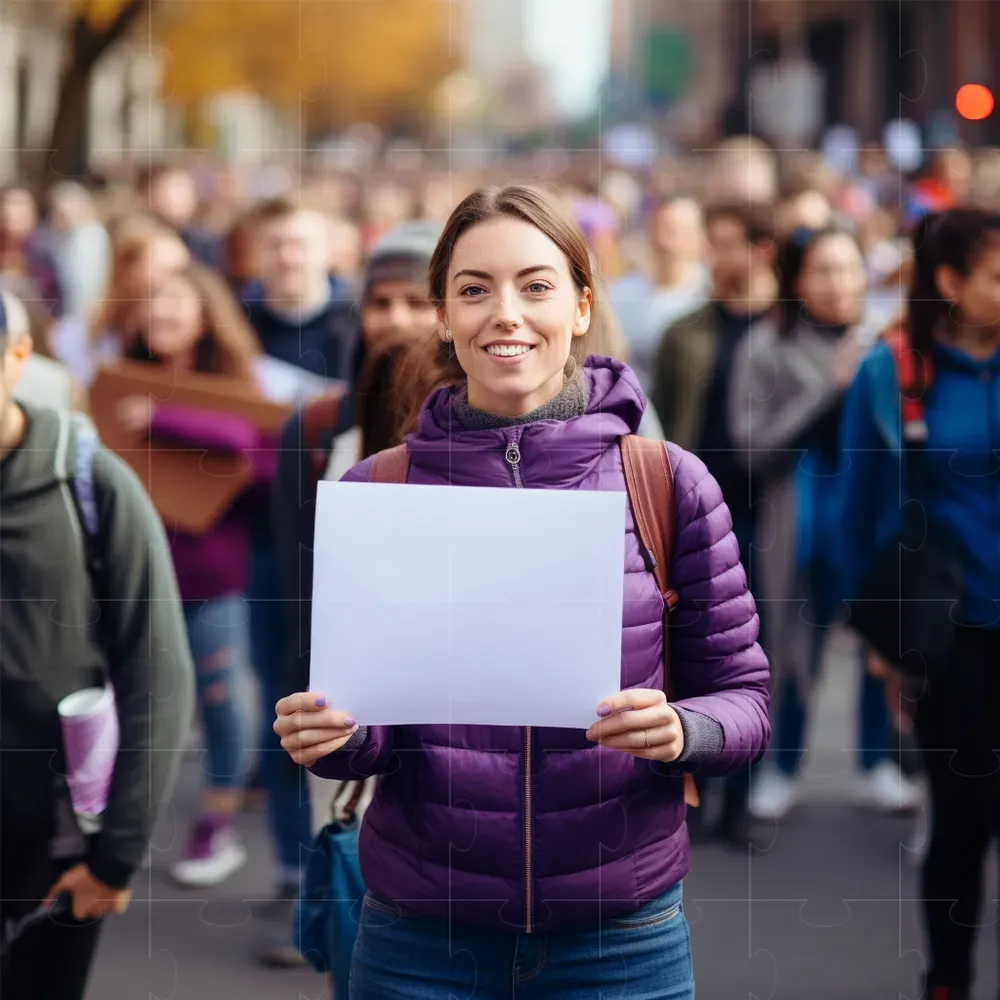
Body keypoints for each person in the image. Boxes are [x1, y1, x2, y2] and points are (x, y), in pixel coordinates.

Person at [274, 184, 771, 998]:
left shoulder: (666, 482)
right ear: (443, 316)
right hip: (420, 937)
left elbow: (745, 698)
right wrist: (332, 734)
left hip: (621, 938)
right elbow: (370, 736)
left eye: (535, 286)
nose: (506, 312)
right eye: (475, 289)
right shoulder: (381, 489)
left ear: (580, 308)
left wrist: (684, 729)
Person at [0, 274, 194, 1000]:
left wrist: (117, 856)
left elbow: (158, 672)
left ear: (19, 358)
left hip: (51, 849)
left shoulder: (89, 483)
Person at [263, 219, 441, 967]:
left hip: (448, 700)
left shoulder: (475, 420)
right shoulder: (316, 428)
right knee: (357, 911)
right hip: (341, 696)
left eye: (415, 300)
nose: (395, 319)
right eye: (380, 302)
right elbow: (294, 585)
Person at [839, 209, 1000, 1000]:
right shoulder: (894, 369)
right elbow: (861, 509)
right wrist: (880, 638)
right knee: (962, 823)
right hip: (951, 637)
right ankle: (948, 981)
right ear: (951, 284)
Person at [727, 225, 920, 821]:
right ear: (797, 280)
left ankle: (876, 764)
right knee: (789, 649)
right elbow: (750, 448)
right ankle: (780, 768)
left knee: (877, 641)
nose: (839, 284)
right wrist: (828, 390)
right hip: (801, 519)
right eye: (823, 271)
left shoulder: (887, 347)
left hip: (872, 517)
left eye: (848, 269)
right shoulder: (766, 346)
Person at [117, 263, 263, 888]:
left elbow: (251, 454)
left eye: (176, 299)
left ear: (205, 313)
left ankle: (217, 823)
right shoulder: (116, 382)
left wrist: (159, 419)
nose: (161, 310)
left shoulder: (229, 384)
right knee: (135, 701)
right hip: (134, 573)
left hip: (210, 575)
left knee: (220, 699)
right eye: (151, 299)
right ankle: (119, 824)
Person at [650, 201, 779, 845]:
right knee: (692, 649)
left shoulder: (786, 329)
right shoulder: (686, 331)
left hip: (766, 514)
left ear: (761, 250)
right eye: (715, 243)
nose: (720, 256)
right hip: (698, 514)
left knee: (755, 658)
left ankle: (745, 803)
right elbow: (665, 425)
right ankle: (697, 788)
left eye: (732, 243)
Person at [609, 196, 709, 391]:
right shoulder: (621, 293)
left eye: (676, 231)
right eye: (660, 228)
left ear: (699, 237)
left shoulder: (709, 296)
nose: (666, 241)